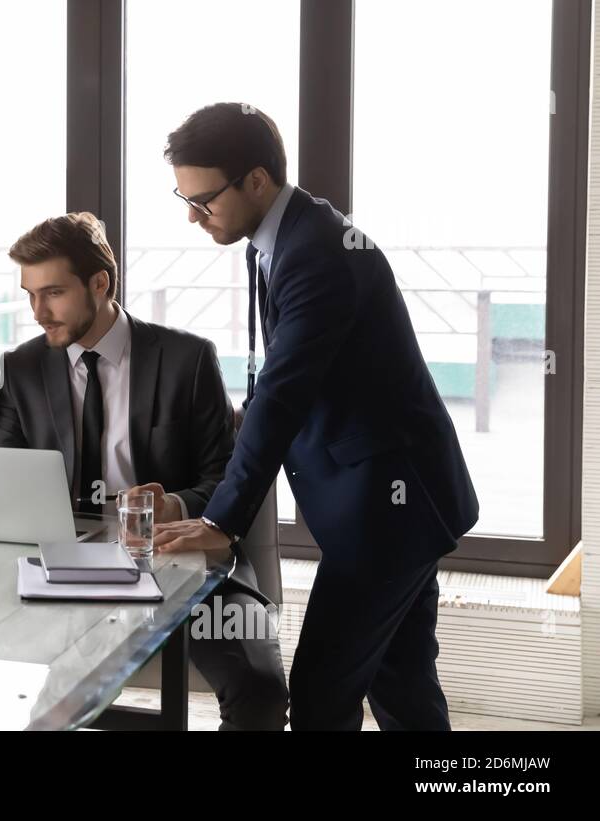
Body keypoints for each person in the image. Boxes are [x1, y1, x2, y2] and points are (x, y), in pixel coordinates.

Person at [157, 102, 479, 730]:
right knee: (404, 686)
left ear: (256, 180)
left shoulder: (317, 252)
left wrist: (221, 518)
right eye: (184, 198)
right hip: (388, 503)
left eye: (204, 200)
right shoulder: (275, 241)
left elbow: (285, 391)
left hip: (392, 507)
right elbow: (283, 376)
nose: (193, 216)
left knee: (321, 692)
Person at [0, 212, 288, 730]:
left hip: (184, 565)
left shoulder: (187, 358)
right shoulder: (22, 367)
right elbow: (1, 477)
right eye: (30, 294)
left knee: (259, 689)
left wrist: (173, 505)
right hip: (60, 570)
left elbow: (226, 478)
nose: (37, 311)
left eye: (53, 293)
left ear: (99, 283)